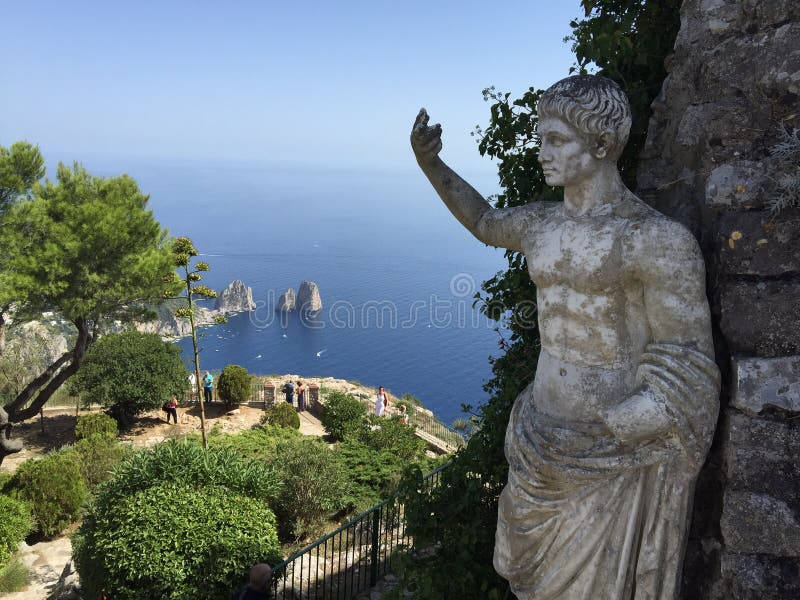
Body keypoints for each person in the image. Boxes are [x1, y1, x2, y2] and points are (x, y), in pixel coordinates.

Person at [411, 75, 719, 600]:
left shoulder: (656, 241)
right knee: (524, 576)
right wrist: (431, 165)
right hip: (539, 436)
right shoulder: (540, 225)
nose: (540, 152)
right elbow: (485, 221)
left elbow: (689, 363)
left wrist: (623, 424)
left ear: (601, 144)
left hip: (610, 451)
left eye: (556, 140)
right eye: (539, 136)